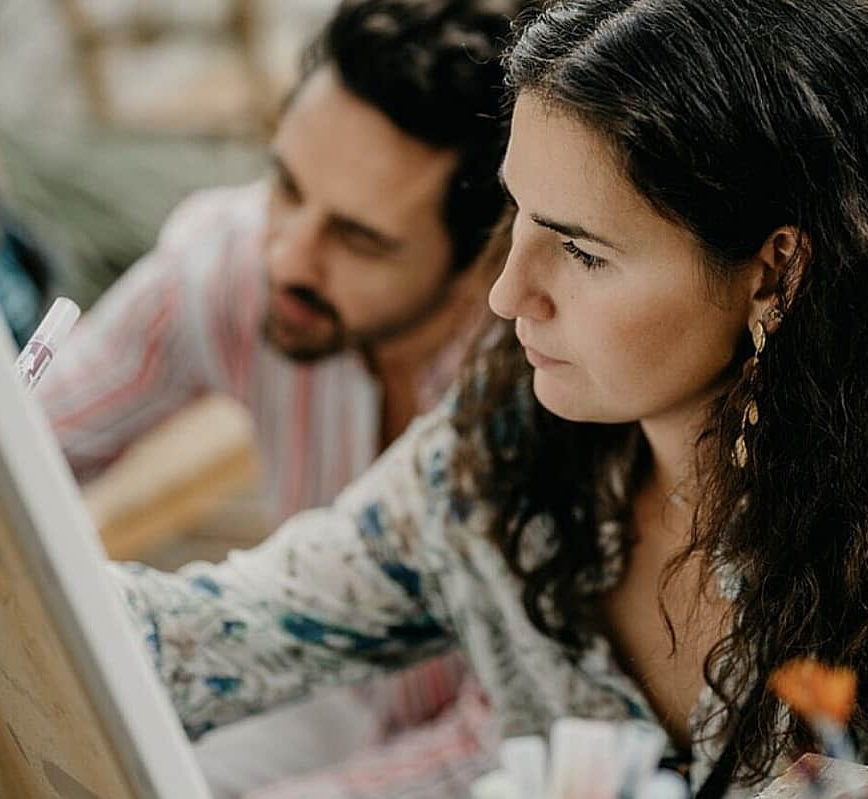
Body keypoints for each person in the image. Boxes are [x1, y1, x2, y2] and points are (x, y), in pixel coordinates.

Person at [106, 1, 868, 796]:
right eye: (517, 216)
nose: (510, 294)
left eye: (583, 250)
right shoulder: (503, 446)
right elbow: (224, 631)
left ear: (774, 273)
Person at [40, 1, 521, 796]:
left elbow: (506, 734)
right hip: (320, 693)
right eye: (287, 186)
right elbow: (29, 443)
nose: (288, 254)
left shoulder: (547, 383)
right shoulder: (235, 261)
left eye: (359, 239)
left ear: (478, 259)